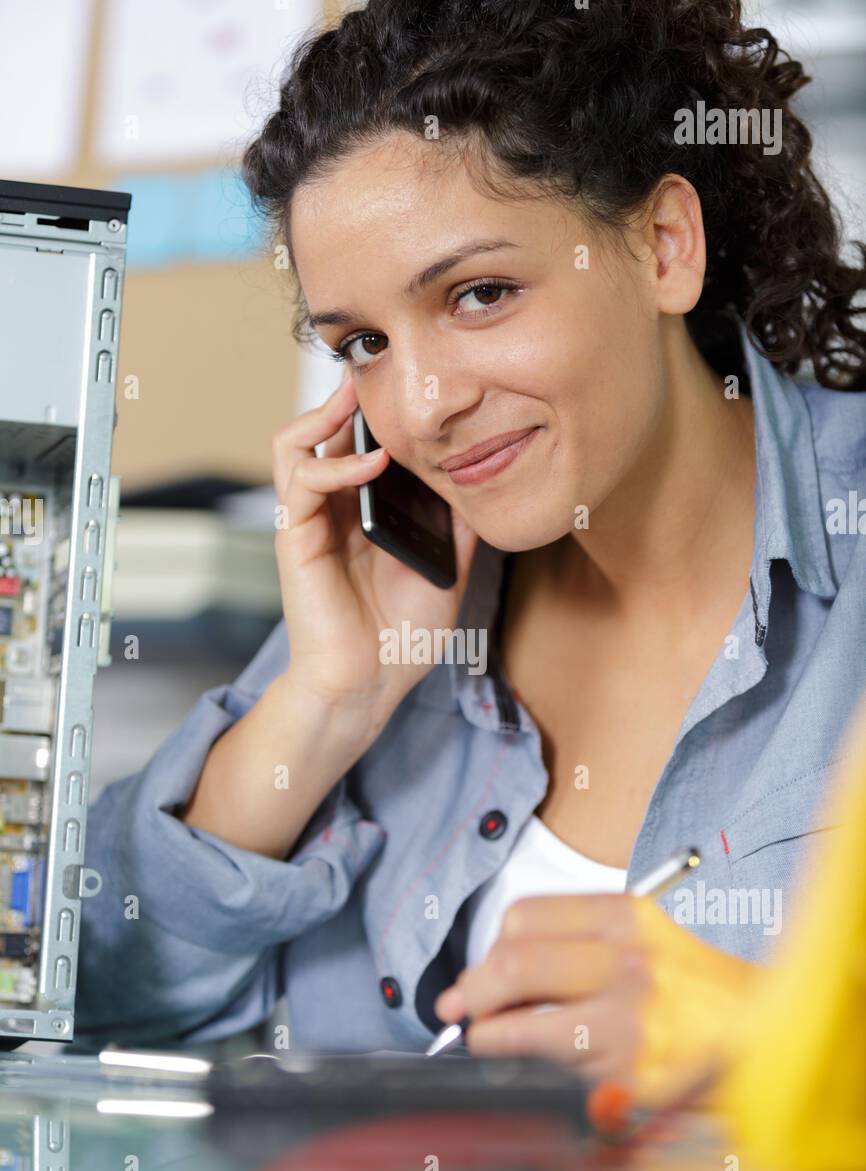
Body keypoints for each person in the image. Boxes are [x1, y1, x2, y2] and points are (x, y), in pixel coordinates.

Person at [74, 0, 866, 1096]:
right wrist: (323, 705)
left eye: (479, 294)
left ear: (662, 247)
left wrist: (759, 1040)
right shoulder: (407, 591)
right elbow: (77, 986)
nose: (422, 407)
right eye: (362, 344)